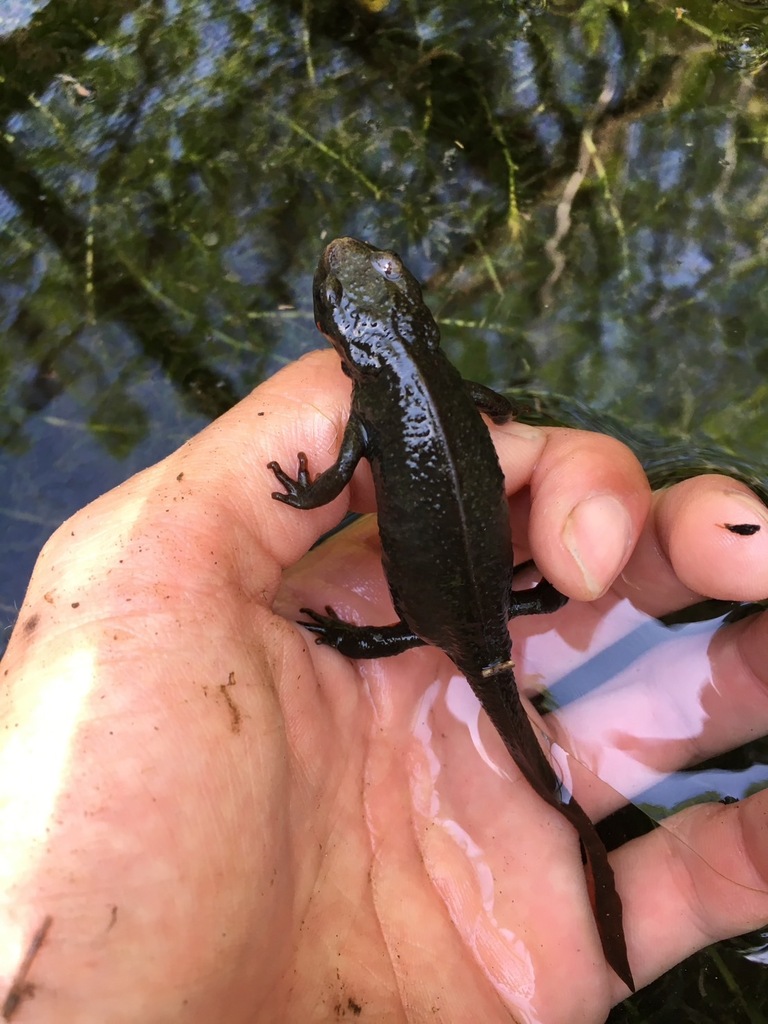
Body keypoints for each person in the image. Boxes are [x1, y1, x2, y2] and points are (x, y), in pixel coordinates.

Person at [1, 350, 767, 1024]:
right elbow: (493, 409)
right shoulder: (437, 379)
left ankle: (375, 642)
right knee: (478, 627)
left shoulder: (370, 399)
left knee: (447, 631)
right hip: (482, 611)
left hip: (448, 619)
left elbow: (334, 476)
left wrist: (311, 497)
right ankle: (472, 637)